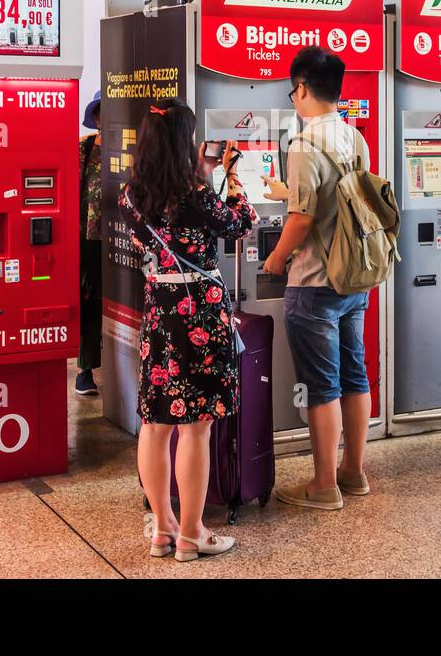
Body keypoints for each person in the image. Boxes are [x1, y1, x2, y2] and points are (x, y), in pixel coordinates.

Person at [123, 99, 255, 561]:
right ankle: (193, 533)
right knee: (196, 428)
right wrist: (232, 176)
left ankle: (163, 528)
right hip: (201, 308)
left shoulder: (131, 196)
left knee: (155, 424)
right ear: (185, 143)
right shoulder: (198, 197)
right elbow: (241, 223)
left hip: (160, 308)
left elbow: (151, 238)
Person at [262, 46, 371, 510]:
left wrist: (274, 259)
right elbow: (345, 200)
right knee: (355, 376)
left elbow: (303, 220)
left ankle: (323, 485)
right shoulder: (354, 138)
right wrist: (292, 195)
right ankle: (353, 472)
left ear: (302, 88)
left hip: (314, 283)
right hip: (353, 278)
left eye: (293, 91)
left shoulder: (304, 144)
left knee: (323, 384)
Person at [76, 91, 103, 397]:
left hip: (128, 237)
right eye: (100, 112)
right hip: (89, 238)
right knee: (89, 300)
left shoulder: (135, 147)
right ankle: (85, 369)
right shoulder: (84, 148)